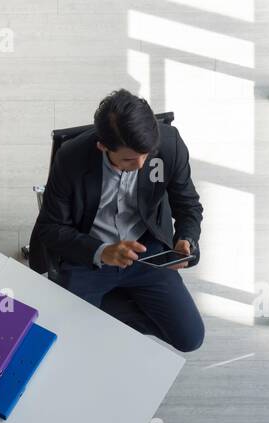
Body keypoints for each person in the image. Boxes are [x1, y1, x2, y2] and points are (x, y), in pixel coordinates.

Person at [30, 89, 205, 353]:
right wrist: (101, 252)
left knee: (190, 338)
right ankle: (102, 317)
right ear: (103, 146)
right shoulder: (70, 158)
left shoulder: (170, 143)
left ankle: (102, 318)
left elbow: (188, 204)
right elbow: (49, 228)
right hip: (89, 255)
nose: (141, 163)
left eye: (146, 154)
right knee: (61, 340)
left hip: (146, 253)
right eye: (128, 159)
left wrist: (186, 238)